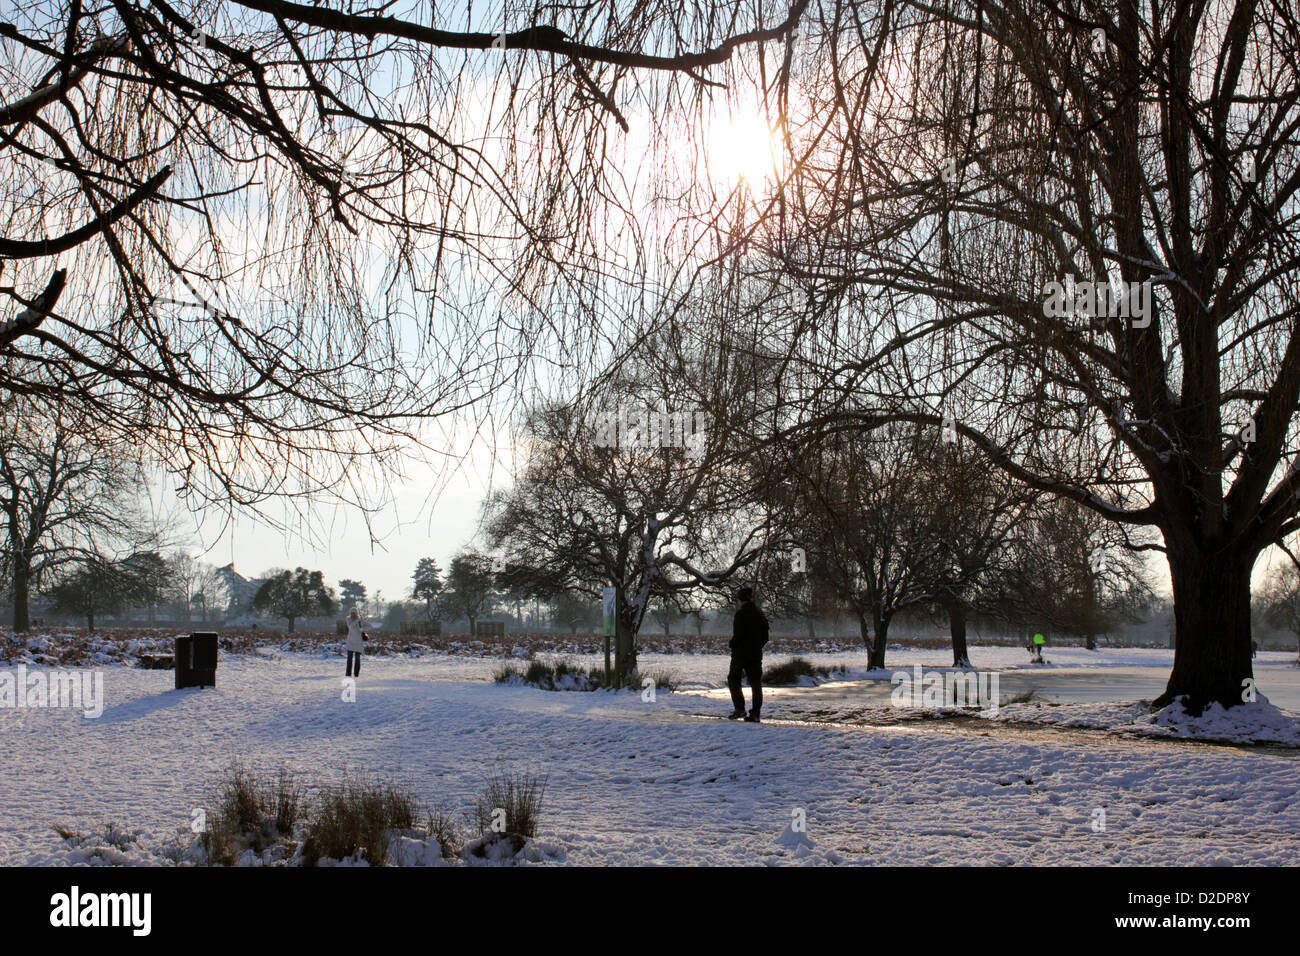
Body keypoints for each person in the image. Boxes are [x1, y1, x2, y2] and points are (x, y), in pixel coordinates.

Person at [727, 587, 769, 722]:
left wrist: (732, 644)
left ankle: (739, 709)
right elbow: (765, 637)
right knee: (756, 683)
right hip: (755, 654)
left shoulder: (741, 614)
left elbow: (738, 634)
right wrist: (757, 646)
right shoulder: (760, 614)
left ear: (740, 599)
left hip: (740, 654)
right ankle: (755, 713)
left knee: (733, 679)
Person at [345, 607, 366, 677]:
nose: (352, 614)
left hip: (358, 642)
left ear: (356, 613)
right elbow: (351, 627)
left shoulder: (360, 620)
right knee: (349, 658)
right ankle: (348, 673)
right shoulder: (348, 619)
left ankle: (356, 674)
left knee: (357, 659)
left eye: (354, 613)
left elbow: (370, 626)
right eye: (351, 613)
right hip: (350, 641)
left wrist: (364, 630)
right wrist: (357, 620)